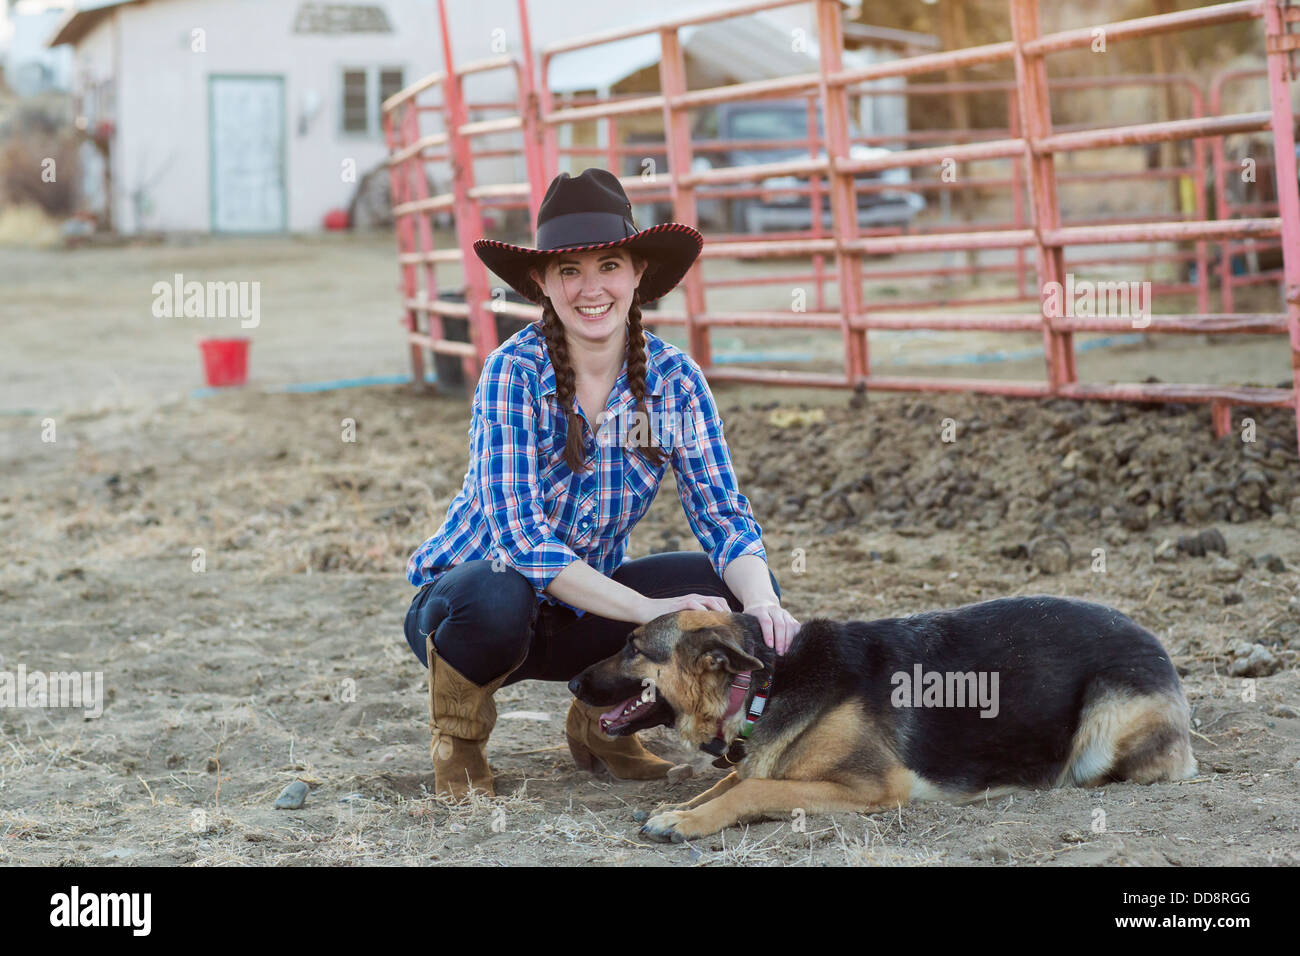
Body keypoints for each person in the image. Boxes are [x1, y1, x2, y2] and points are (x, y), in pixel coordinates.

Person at [403, 167, 799, 799]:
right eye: (569, 270)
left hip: (587, 609)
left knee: (723, 585)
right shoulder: (513, 373)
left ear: (638, 273)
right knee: (496, 590)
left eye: (609, 265)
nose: (592, 289)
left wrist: (762, 606)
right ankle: (460, 740)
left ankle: (607, 725)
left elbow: (724, 516)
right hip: (476, 610)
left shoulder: (674, 382)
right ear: (541, 282)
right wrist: (649, 612)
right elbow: (521, 539)